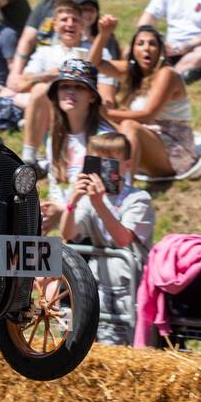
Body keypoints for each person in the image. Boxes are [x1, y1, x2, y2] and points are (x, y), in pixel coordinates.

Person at [59, 131, 155, 345]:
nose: (102, 169)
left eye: (109, 162)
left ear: (127, 166)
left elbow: (122, 239)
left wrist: (100, 204)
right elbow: (68, 233)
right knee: (101, 345)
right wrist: (72, 201)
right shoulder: (88, 199)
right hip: (99, 284)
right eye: (96, 161)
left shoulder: (139, 199)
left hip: (131, 288)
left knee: (132, 347)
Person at [90, 19, 195, 177]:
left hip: (174, 151)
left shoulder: (167, 74)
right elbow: (93, 65)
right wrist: (104, 34)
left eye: (152, 44)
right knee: (93, 118)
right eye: (140, 44)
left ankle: (121, 186)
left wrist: (108, 113)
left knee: (129, 125)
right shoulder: (132, 71)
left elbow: (148, 115)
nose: (146, 48)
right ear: (133, 50)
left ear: (160, 51)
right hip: (147, 140)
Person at [16, 1, 108, 165]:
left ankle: (47, 156)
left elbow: (106, 89)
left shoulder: (96, 51)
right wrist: (50, 74)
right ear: (55, 25)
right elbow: (21, 83)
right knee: (39, 90)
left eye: (75, 20)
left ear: (83, 25)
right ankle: (29, 157)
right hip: (53, 111)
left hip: (86, 110)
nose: (70, 24)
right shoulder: (45, 52)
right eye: (64, 20)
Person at [36, 60, 114, 232]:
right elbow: (57, 189)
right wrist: (49, 210)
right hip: (69, 223)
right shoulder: (55, 137)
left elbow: (113, 199)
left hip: (98, 231)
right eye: (64, 86)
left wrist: (64, 211)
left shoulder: (105, 139)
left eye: (79, 87)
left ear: (92, 96)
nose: (70, 91)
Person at [8, 0, 96, 84]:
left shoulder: (82, 1)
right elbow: (26, 40)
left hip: (69, 66)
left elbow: (86, 34)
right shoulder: (43, 5)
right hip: (42, 63)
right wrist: (15, 73)